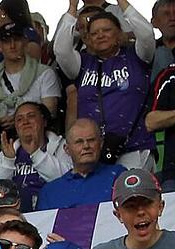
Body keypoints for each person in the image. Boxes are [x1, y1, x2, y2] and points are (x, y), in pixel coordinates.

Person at [53, 3, 156, 171]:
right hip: (94, 152)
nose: (100, 35)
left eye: (107, 30)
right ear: (87, 40)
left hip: (134, 147)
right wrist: (72, 6)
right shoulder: (83, 63)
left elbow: (146, 34)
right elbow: (61, 50)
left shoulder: (137, 57)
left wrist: (122, 2)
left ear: (119, 34)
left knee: (130, 197)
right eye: (94, 33)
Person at [38, 119, 124, 207]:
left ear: (101, 144)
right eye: (79, 142)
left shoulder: (118, 176)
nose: (86, 146)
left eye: (91, 140)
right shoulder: (49, 192)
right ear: (67, 149)